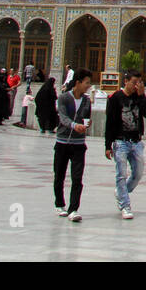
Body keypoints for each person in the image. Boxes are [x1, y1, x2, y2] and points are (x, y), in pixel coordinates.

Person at [105, 70, 146, 220]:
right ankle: (125, 206)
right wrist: (107, 145)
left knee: (137, 174)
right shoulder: (115, 98)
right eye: (134, 83)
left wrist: (142, 95)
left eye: (139, 83)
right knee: (121, 174)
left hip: (136, 142)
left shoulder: (139, 97)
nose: (136, 86)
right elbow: (110, 122)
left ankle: (120, 192)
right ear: (126, 82)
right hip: (120, 141)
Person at [54, 70, 93, 221]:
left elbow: (87, 117)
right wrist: (73, 125)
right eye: (87, 82)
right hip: (62, 142)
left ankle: (73, 209)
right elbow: (62, 117)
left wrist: (87, 125)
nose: (89, 86)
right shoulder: (64, 98)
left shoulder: (86, 100)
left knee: (77, 178)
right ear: (78, 82)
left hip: (78, 144)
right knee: (60, 175)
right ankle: (59, 204)